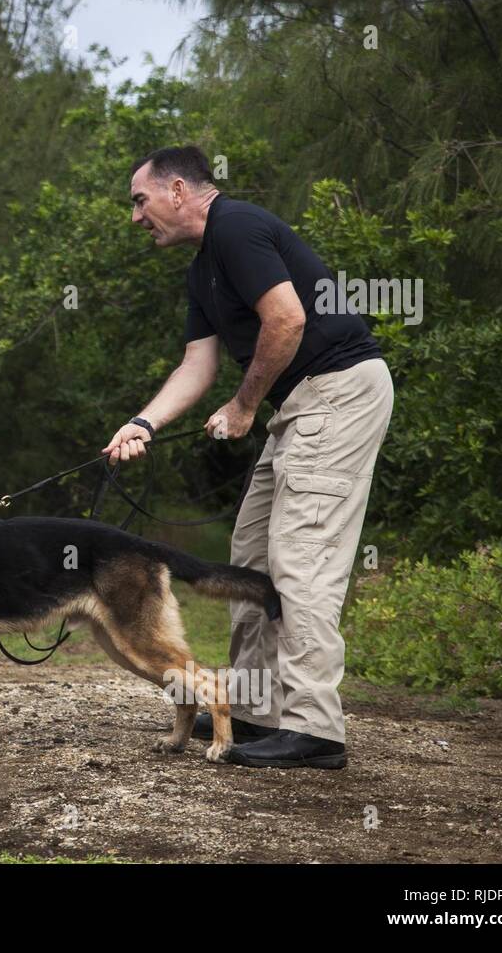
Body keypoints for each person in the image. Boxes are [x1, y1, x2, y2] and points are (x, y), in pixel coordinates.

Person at [104, 145, 394, 769]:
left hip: (338, 391)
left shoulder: (236, 226)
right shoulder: (200, 270)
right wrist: (142, 423)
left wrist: (242, 406)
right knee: (251, 559)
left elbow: (286, 321)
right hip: (298, 406)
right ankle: (258, 714)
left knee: (300, 558)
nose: (135, 217)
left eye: (139, 201)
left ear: (177, 190)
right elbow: (196, 365)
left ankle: (315, 730)